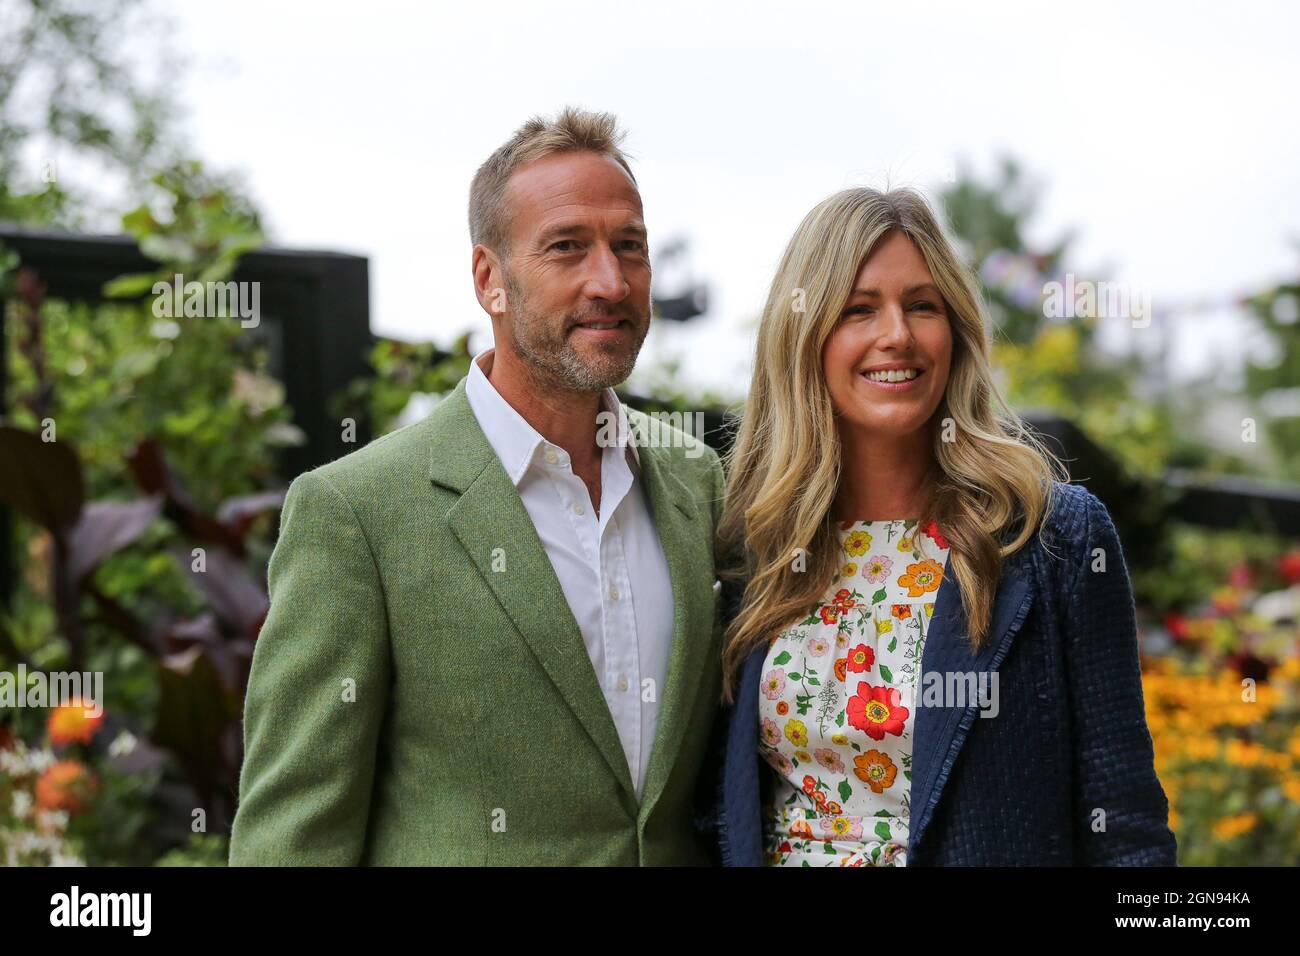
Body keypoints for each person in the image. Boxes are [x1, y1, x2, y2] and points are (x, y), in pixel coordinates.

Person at [229, 107, 726, 865]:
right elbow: (293, 838)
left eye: (631, 247)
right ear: (489, 280)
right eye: (568, 247)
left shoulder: (697, 483)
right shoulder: (356, 514)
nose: (611, 280)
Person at [703, 185, 1176, 866]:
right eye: (859, 309)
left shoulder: (1053, 538)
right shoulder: (759, 547)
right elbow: (717, 813)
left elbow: (1124, 824)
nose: (896, 333)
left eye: (921, 306)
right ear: (804, 337)